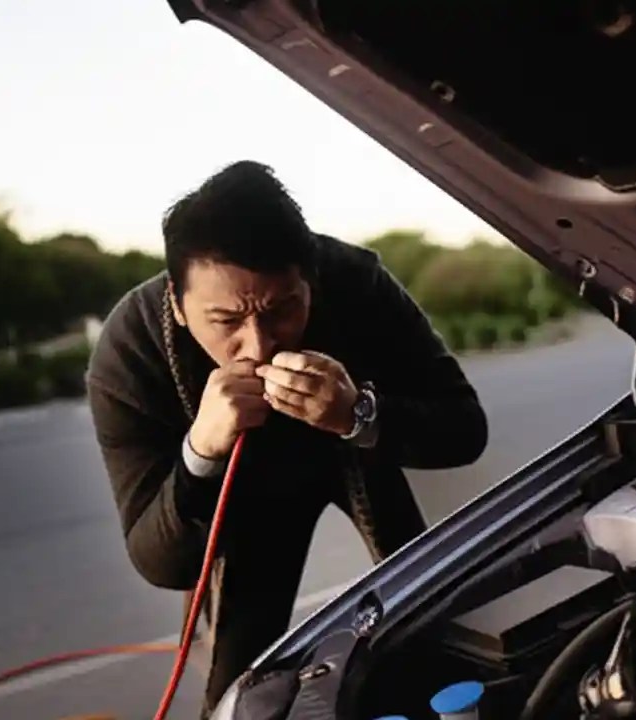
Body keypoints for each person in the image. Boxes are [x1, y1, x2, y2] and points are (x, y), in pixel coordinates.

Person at [85, 160, 488, 715]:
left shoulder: (356, 281)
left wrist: (360, 415)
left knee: (430, 641)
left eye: (282, 311)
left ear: (312, 280)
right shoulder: (130, 350)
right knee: (238, 688)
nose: (259, 345)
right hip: (242, 503)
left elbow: (465, 429)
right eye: (226, 321)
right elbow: (160, 562)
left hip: (361, 463)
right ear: (177, 306)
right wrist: (201, 452)